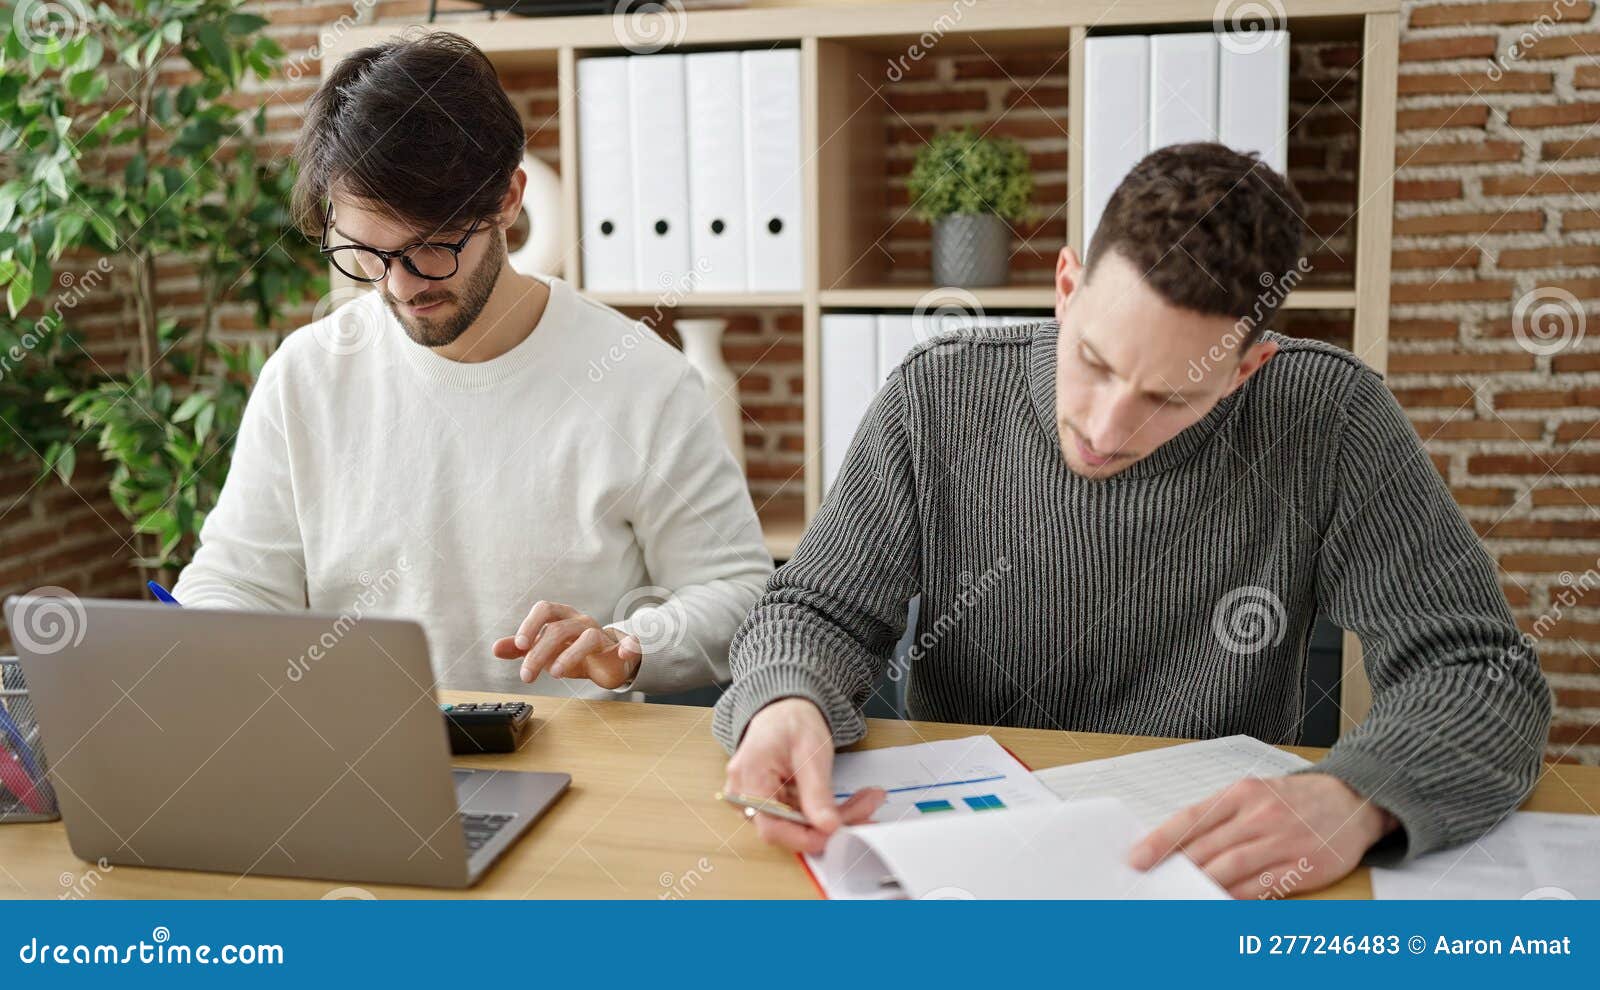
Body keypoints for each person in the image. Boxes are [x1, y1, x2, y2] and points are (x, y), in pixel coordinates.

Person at [715, 142, 1551, 897]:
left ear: (1246, 369)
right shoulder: (938, 396)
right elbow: (816, 609)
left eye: (1170, 397)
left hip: (1202, 879)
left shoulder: (1328, 416)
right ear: (1066, 286)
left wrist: (1358, 797)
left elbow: (1480, 672)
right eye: (1094, 360)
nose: (1106, 430)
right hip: (963, 872)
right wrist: (786, 702)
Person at [174, 32, 771, 699]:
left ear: (508, 199)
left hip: (575, 757)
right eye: (367, 254)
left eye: (432, 247)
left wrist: (631, 644)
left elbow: (740, 590)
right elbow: (235, 578)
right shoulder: (304, 377)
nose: (400, 286)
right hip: (358, 748)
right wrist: (207, 630)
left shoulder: (645, 383)